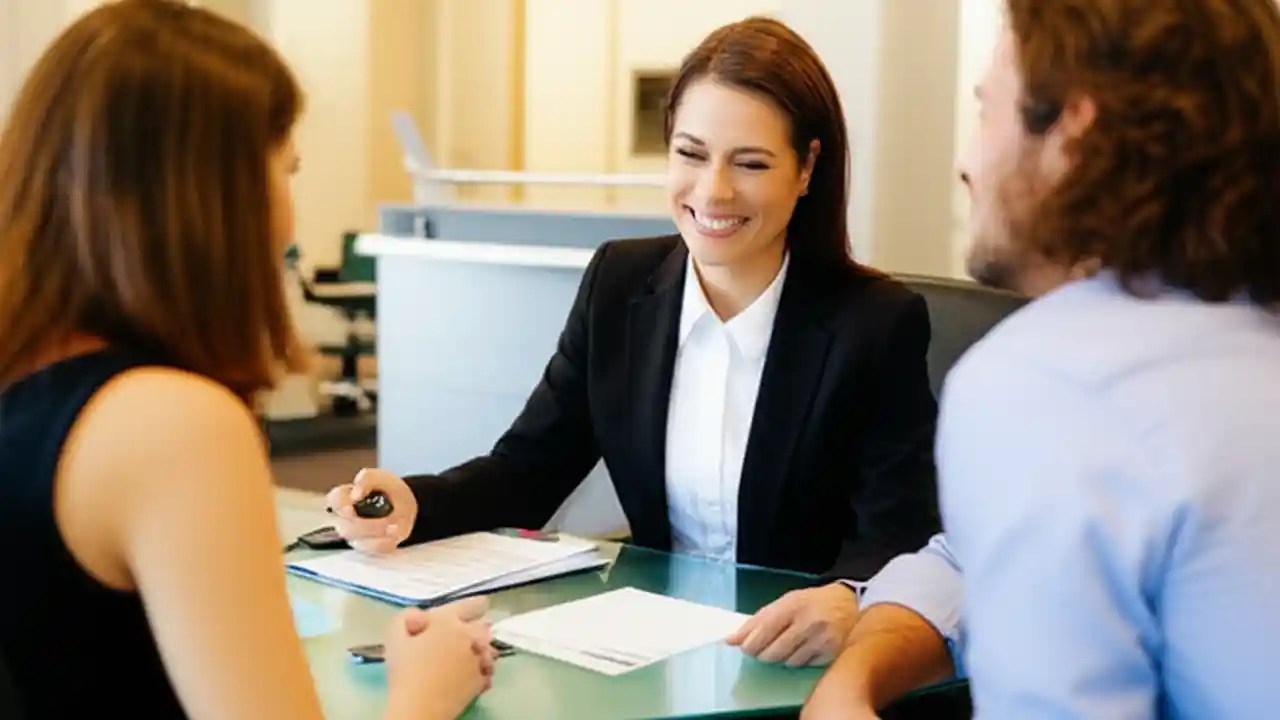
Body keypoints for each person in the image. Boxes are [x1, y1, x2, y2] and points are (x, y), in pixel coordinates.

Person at [327, 16, 941, 668]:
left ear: (807, 166)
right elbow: (529, 468)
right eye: (691, 153)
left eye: (752, 163)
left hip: (793, 664)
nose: (713, 190)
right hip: (652, 653)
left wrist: (848, 595)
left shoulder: (875, 323)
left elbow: (898, 532)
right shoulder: (620, 285)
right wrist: (416, 501)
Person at [0, 2, 494, 718]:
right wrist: (428, 688)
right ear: (217, 194)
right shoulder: (172, 423)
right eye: (286, 171)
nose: (290, 216)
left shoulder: (27, 380)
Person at [803, 0, 1280, 717]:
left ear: (1073, 129)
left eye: (986, 111)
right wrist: (853, 677)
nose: (965, 162)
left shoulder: (1049, 383)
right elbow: (967, 556)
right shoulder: (1230, 339)